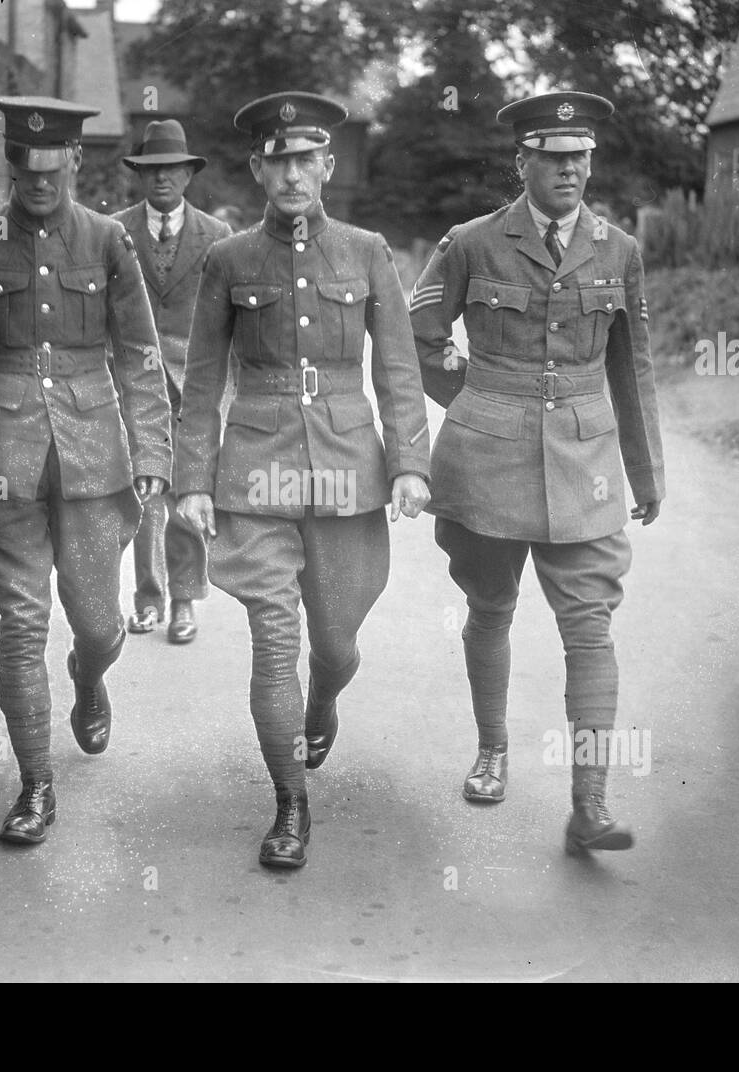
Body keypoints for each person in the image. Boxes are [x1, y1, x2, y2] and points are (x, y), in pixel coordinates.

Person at [177, 92, 431, 869]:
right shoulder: (228, 260)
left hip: (348, 469)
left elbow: (397, 367)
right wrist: (192, 478)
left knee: (336, 642)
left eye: (304, 159)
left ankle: (325, 698)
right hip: (255, 468)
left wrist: (410, 463)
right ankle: (289, 802)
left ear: (327, 165)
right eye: (276, 160)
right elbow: (199, 380)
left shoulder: (366, 251)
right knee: (272, 636)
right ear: (258, 168)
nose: (291, 174)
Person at [409, 91, 665, 853]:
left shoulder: (618, 250)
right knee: (489, 607)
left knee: (590, 626)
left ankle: (591, 801)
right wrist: (480, 400)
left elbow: (633, 364)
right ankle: (492, 750)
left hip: (585, 466)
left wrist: (645, 472)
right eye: (554, 158)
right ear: (521, 163)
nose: (570, 172)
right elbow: (420, 337)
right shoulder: (471, 243)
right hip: (486, 462)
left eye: (580, 158)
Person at [0, 97, 172, 843]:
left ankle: (89, 676)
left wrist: (152, 452)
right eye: (26, 170)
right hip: (7, 461)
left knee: (97, 622)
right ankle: (35, 786)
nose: (39, 183)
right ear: (10, 164)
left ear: (77, 162)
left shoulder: (109, 240)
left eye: (53, 170)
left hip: (92, 455)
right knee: (21, 625)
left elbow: (141, 358)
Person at [113, 120, 231, 644]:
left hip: (193, 382)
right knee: (144, 493)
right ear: (140, 175)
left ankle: (184, 602)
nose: (162, 179)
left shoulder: (218, 237)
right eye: (151, 169)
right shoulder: (113, 231)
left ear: (187, 174)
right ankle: (147, 599)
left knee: (188, 490)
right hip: (133, 381)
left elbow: (228, 319)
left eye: (172, 169)